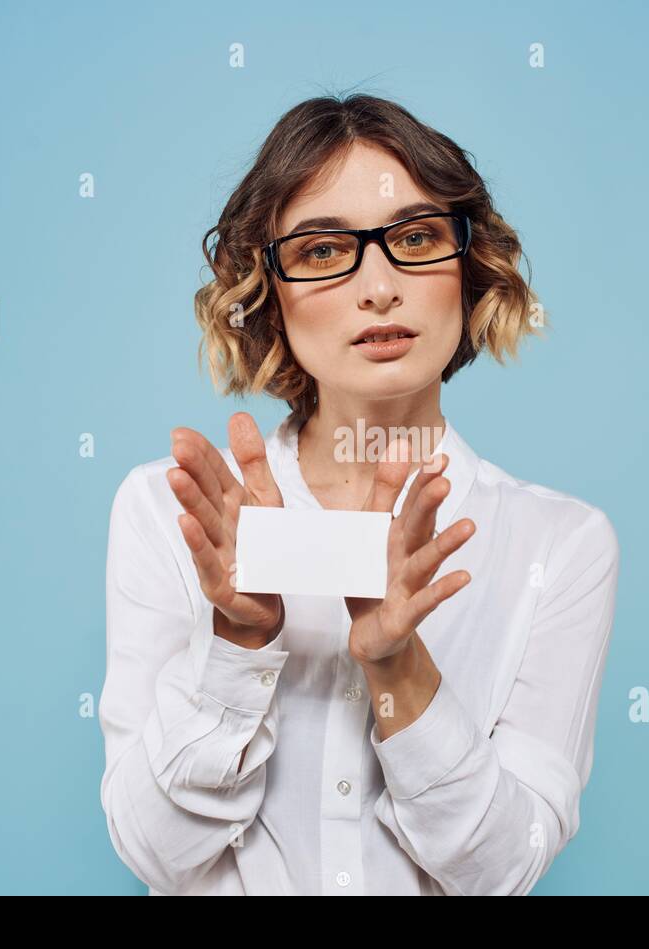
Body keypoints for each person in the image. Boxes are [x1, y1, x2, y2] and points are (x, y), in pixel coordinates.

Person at [98, 93, 620, 895]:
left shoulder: (560, 543)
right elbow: (156, 855)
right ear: (264, 290)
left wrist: (397, 664)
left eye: (415, 238)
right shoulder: (174, 516)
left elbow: (503, 869)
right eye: (321, 251)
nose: (379, 288)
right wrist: (240, 641)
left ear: (468, 264)